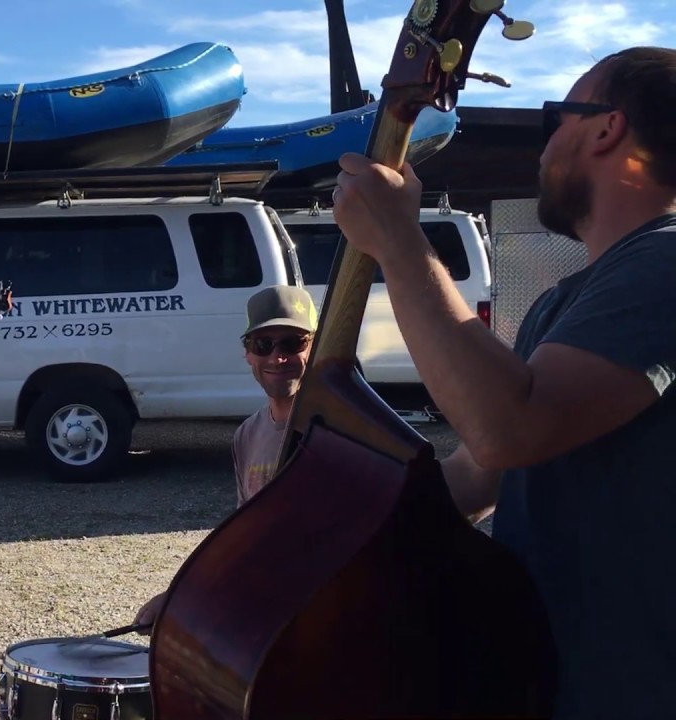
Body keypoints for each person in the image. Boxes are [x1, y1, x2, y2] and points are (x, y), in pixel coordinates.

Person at [330, 46, 676, 719]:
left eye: (557, 118)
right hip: (550, 679)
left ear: (606, 128)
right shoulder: (565, 301)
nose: (544, 147)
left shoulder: (667, 265)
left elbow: (507, 428)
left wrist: (399, 241)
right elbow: (473, 476)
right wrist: (273, 565)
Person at [134, 284, 317, 630]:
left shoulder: (341, 428)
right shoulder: (247, 435)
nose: (277, 358)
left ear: (316, 347)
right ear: (248, 354)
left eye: (293, 344)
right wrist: (180, 595)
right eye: (263, 345)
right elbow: (242, 539)